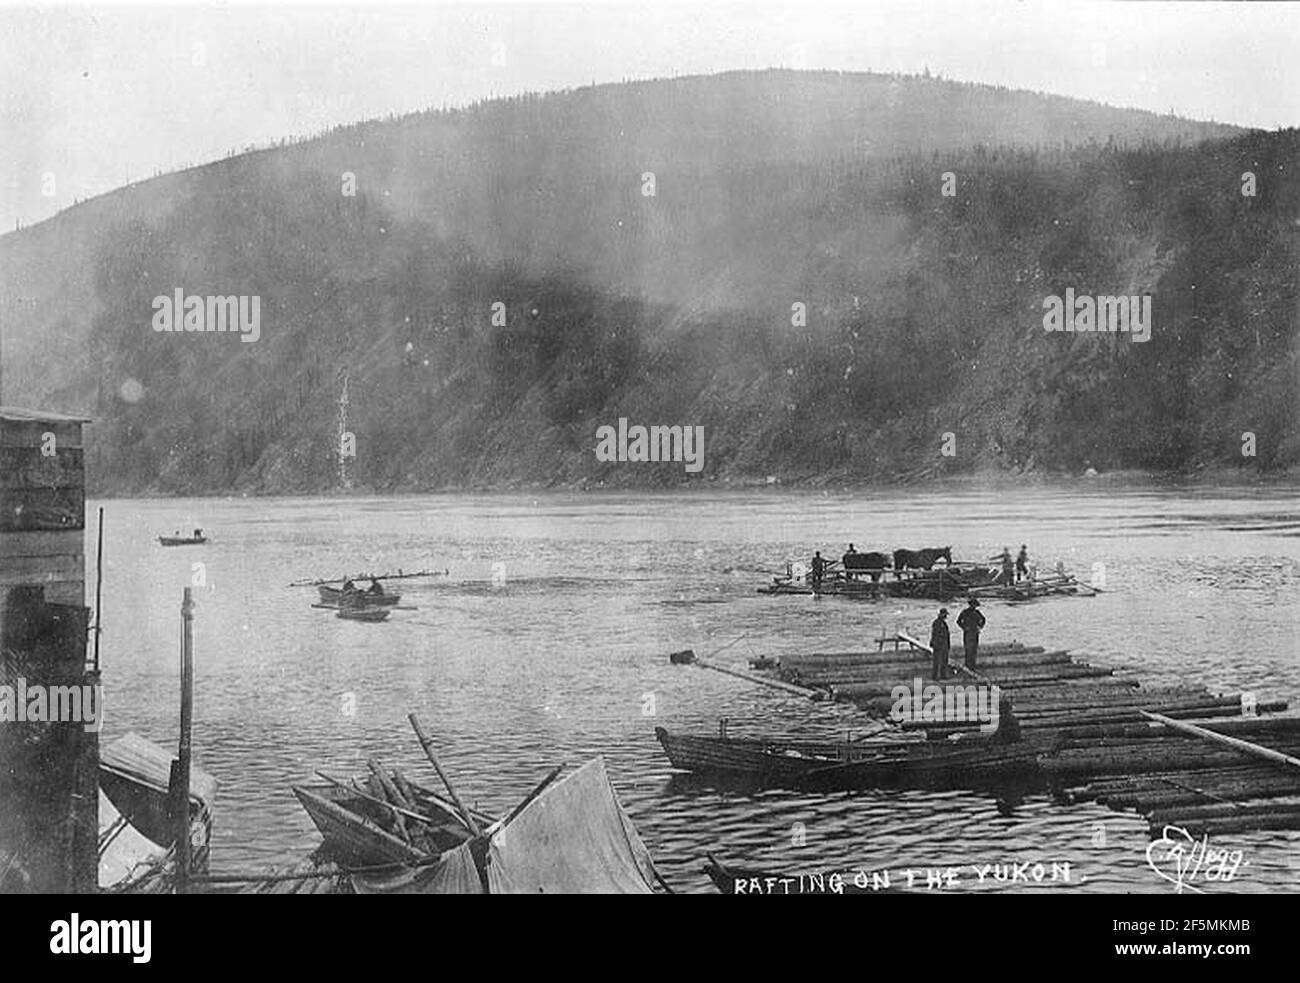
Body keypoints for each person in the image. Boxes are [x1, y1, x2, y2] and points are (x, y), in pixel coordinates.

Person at [956, 598, 986, 670]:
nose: (974, 606)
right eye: (973, 605)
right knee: (968, 649)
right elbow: (958, 621)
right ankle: (967, 665)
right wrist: (964, 627)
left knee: (974, 649)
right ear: (970, 605)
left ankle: (973, 665)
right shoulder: (965, 612)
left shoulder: (977, 612)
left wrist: (980, 627)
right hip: (968, 633)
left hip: (975, 633)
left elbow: (983, 620)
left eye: (975, 605)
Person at [929, 608, 950, 680]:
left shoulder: (943, 623)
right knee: (937, 661)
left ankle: (943, 675)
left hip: (944, 644)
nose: (946, 616)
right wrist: (933, 642)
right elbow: (935, 634)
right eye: (945, 614)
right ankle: (935, 676)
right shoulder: (937, 623)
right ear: (941, 614)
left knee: (944, 660)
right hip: (938, 644)